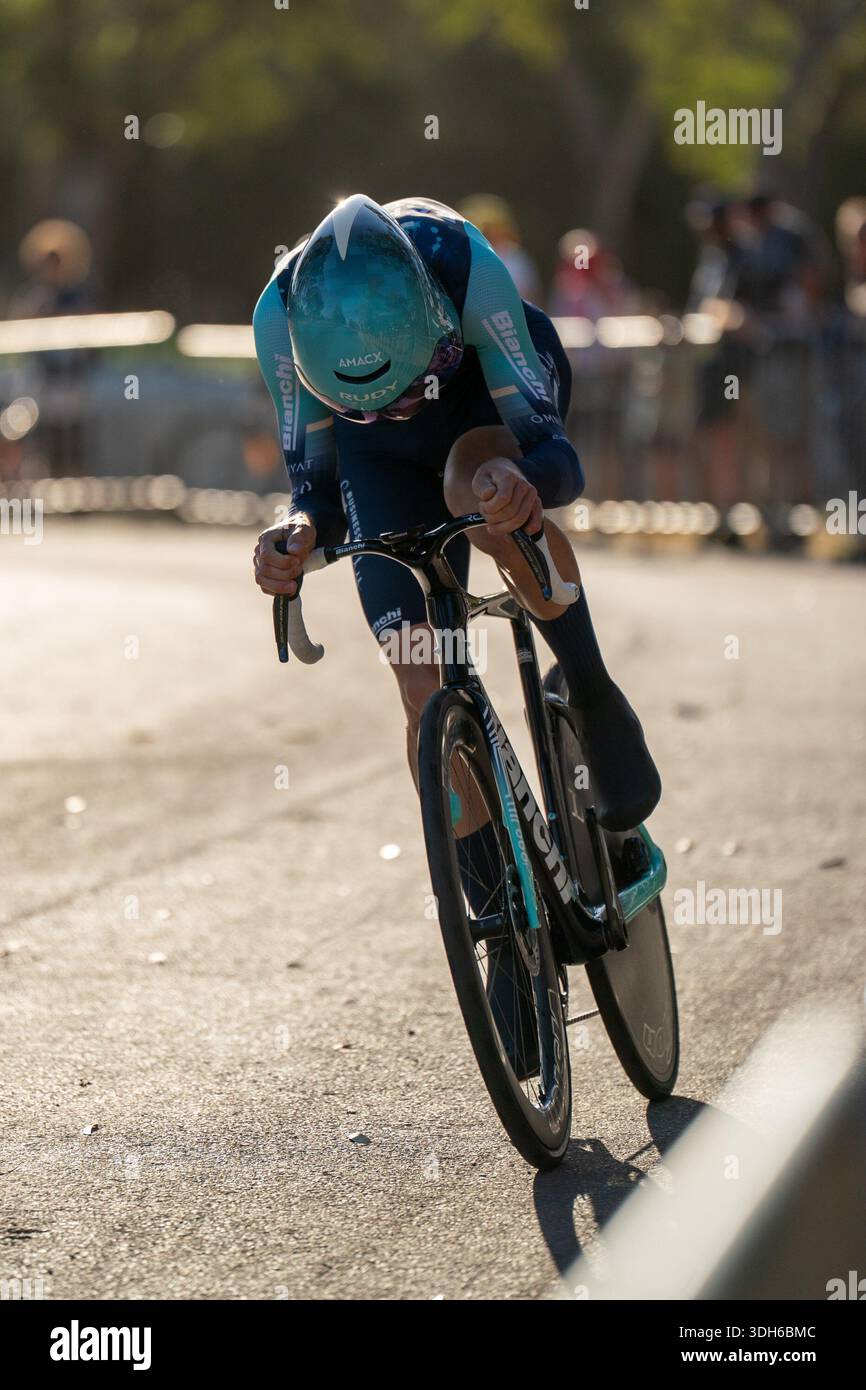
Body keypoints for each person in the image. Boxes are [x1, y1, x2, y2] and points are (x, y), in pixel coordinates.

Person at [252, 195, 661, 839]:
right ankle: (489, 892)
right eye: (361, 406)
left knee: (479, 497)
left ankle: (592, 690)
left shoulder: (465, 265)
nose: (399, 408)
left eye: (412, 388)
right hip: (376, 463)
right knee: (421, 684)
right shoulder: (280, 318)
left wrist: (522, 479)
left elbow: (560, 460)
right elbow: (317, 494)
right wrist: (297, 531)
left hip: (479, 401)